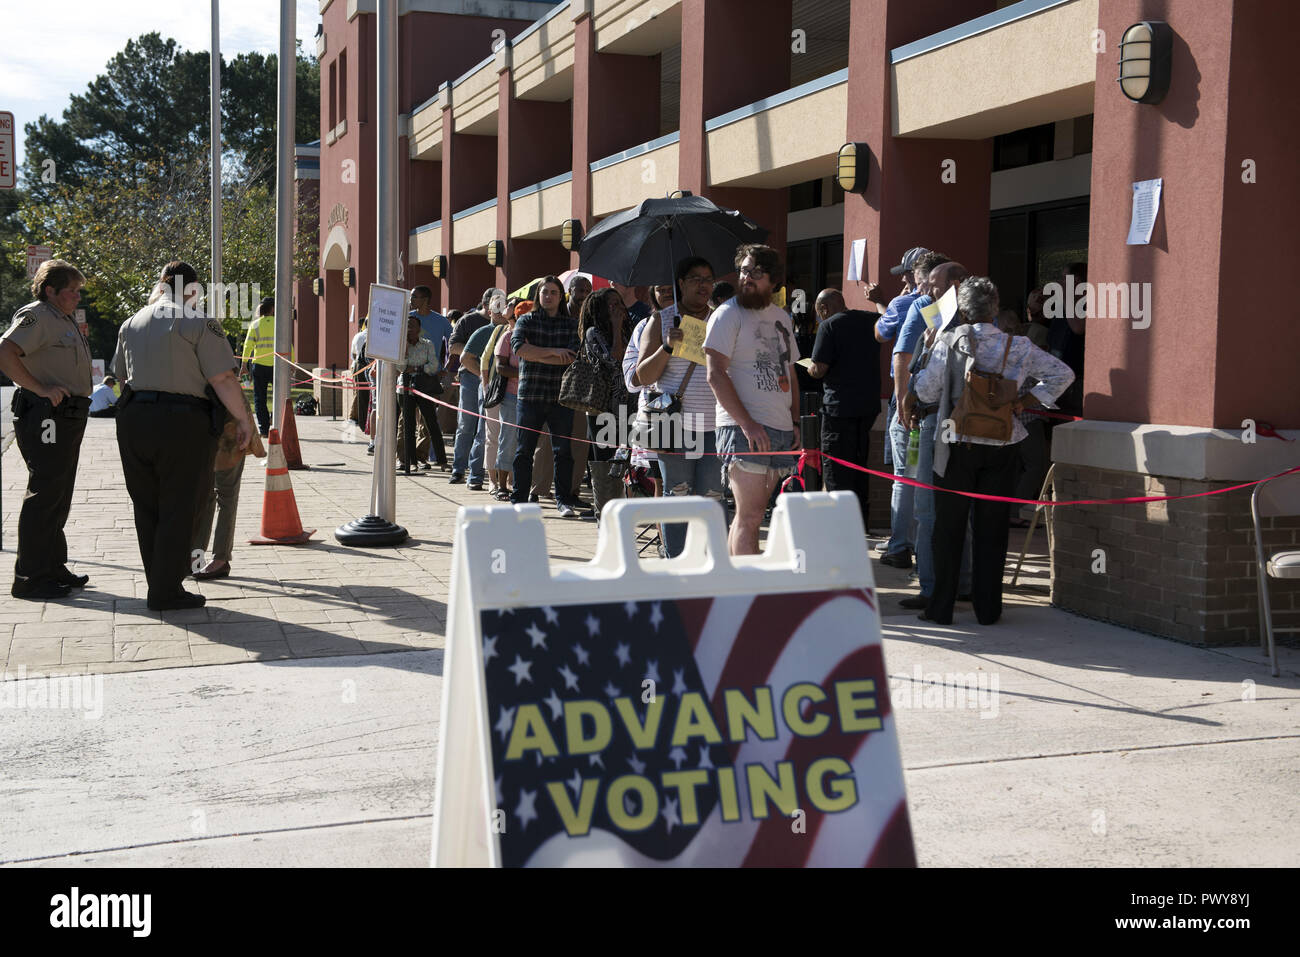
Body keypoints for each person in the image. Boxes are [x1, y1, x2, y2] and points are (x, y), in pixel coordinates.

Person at [912, 276, 1073, 626]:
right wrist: (1025, 400)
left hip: (957, 443)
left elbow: (925, 392)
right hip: (1004, 443)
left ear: (964, 310)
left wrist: (928, 351)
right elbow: (1063, 375)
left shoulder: (949, 340)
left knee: (949, 528)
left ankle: (941, 608)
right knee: (993, 528)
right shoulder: (1019, 346)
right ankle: (988, 609)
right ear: (996, 308)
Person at [113, 260, 253, 611]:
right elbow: (222, 378)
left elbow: (121, 376)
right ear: (193, 290)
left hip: (133, 419)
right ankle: (166, 590)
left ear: (160, 285)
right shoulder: (199, 321)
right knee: (182, 505)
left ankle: (158, 582)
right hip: (181, 422)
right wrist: (244, 420)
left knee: (147, 507)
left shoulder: (131, 322)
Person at [0, 259, 94, 600]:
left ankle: (52, 565)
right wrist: (39, 389)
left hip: (65, 415)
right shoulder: (38, 315)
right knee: (45, 493)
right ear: (50, 290)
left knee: (59, 493)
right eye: (72, 291)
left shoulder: (61, 318)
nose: (77, 298)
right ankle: (30, 577)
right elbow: (5, 351)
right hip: (46, 415)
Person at [704, 244, 801, 556]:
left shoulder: (782, 318)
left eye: (756, 272)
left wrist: (795, 420)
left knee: (752, 516)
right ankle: (748, 594)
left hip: (780, 427)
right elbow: (715, 374)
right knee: (751, 516)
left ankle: (735, 585)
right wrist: (747, 425)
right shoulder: (727, 314)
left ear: (773, 280)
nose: (746, 277)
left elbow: (790, 374)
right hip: (742, 428)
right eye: (744, 270)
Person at [898, 260, 973, 609]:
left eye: (936, 286)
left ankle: (931, 588)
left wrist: (909, 397)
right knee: (956, 509)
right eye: (926, 285)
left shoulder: (956, 328)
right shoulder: (936, 319)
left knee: (928, 510)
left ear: (957, 285)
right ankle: (960, 584)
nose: (928, 292)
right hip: (945, 426)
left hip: (938, 424)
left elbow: (925, 381)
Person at [636, 256, 722, 556]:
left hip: (715, 425)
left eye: (709, 279)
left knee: (712, 497)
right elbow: (641, 376)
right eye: (697, 279)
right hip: (673, 424)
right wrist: (667, 346)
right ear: (681, 283)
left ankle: (709, 565)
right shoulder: (661, 320)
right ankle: (677, 565)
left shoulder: (721, 319)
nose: (704, 285)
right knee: (678, 495)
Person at [874, 246, 932, 569]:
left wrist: (902, 406)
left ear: (914, 276)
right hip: (935, 405)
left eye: (907, 274)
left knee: (904, 474)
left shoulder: (906, 303)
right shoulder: (946, 307)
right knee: (919, 475)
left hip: (907, 402)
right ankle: (910, 540)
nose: (905, 279)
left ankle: (900, 545)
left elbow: (883, 335)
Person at [807, 287, 880, 535]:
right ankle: (861, 524)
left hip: (839, 409)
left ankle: (838, 527)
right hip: (868, 407)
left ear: (824, 308)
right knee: (860, 466)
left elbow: (819, 369)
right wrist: (880, 300)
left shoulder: (829, 327)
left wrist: (809, 369)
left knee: (837, 468)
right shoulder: (869, 319)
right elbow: (889, 320)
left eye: (819, 312)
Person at [510, 276, 584, 516]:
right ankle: (519, 499)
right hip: (530, 395)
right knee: (524, 451)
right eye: (545, 292)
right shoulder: (526, 320)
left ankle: (564, 501)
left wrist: (537, 354)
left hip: (561, 397)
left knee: (563, 451)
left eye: (553, 292)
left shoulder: (570, 324)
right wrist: (553, 352)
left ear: (561, 296)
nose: (548, 296)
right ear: (538, 296)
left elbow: (573, 355)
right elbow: (520, 348)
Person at [578, 288, 635, 518]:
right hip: (603, 408)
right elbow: (616, 360)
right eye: (611, 305)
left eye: (619, 303)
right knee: (605, 461)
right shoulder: (594, 333)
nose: (618, 308)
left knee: (627, 458)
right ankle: (605, 510)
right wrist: (614, 325)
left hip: (629, 405)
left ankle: (626, 508)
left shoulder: (629, 327)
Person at [192, 399, 264, 580]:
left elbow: (226, 379)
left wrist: (242, 422)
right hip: (201, 424)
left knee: (225, 495)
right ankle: (196, 557)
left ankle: (220, 559)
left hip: (229, 427)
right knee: (204, 495)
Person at [451, 292, 508, 488]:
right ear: (489, 309)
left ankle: (502, 478)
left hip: (508, 390)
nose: (501, 311)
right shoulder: (482, 331)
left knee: (503, 434)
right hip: (485, 386)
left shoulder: (513, 331)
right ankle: (471, 474)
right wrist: (484, 378)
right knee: (476, 429)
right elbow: (465, 357)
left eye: (504, 307)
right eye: (497, 307)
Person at [397, 315, 446, 474]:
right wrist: (404, 352)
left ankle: (442, 461)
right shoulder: (400, 346)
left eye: (412, 325)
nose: (410, 329)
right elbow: (401, 368)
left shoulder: (427, 344)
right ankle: (411, 462)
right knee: (408, 426)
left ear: (419, 329)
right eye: (407, 326)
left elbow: (433, 366)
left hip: (424, 388)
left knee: (431, 423)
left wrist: (416, 369)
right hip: (405, 389)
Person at [410, 285, 452, 463]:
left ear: (425, 299)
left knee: (428, 419)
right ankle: (409, 457)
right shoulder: (409, 318)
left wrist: (447, 366)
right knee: (409, 419)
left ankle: (426, 456)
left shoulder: (441, 321)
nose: (411, 300)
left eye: (415, 297)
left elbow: (453, 343)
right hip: (409, 373)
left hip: (430, 375)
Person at [491, 300, 527, 500]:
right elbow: (501, 368)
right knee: (509, 439)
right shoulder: (507, 337)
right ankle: (501, 485)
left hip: (533, 396)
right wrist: (525, 374)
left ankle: (523, 484)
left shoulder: (537, 339)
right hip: (511, 396)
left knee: (529, 443)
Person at [240, 296, 277, 436]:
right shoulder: (279, 324)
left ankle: (264, 429)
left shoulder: (255, 325)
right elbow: (288, 345)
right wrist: (291, 363)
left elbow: (248, 345)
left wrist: (244, 365)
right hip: (276, 366)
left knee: (259, 398)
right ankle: (276, 424)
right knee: (278, 397)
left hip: (259, 366)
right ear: (273, 309)